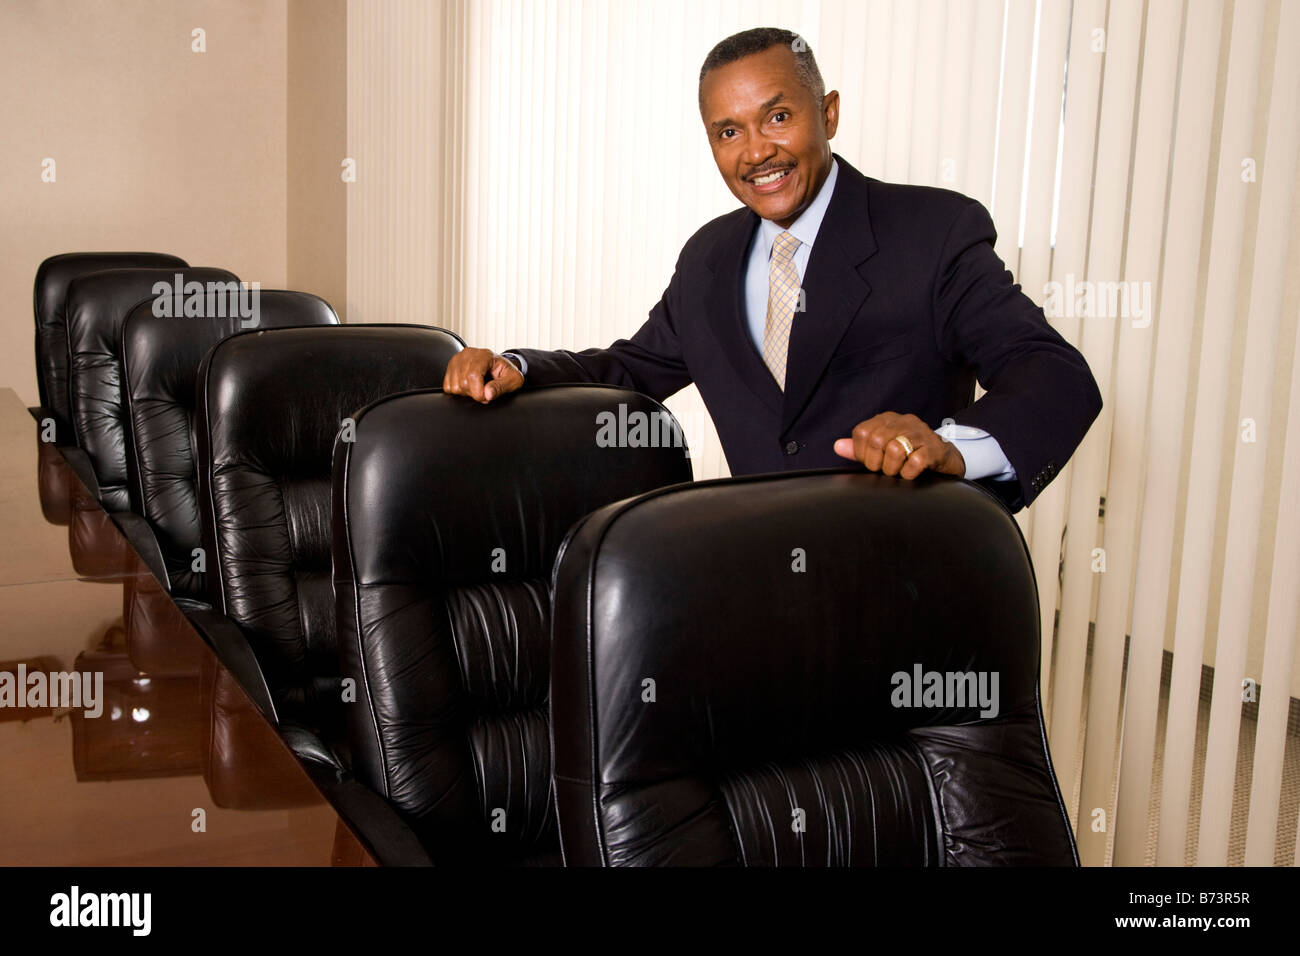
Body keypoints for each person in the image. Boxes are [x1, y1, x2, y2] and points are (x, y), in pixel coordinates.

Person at [442, 27, 1101, 513]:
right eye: (728, 131)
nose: (756, 151)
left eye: (777, 117)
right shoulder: (709, 260)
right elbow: (630, 370)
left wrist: (950, 446)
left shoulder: (934, 234)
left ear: (829, 113)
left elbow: (1058, 377)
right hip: (761, 596)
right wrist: (516, 368)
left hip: (909, 599)